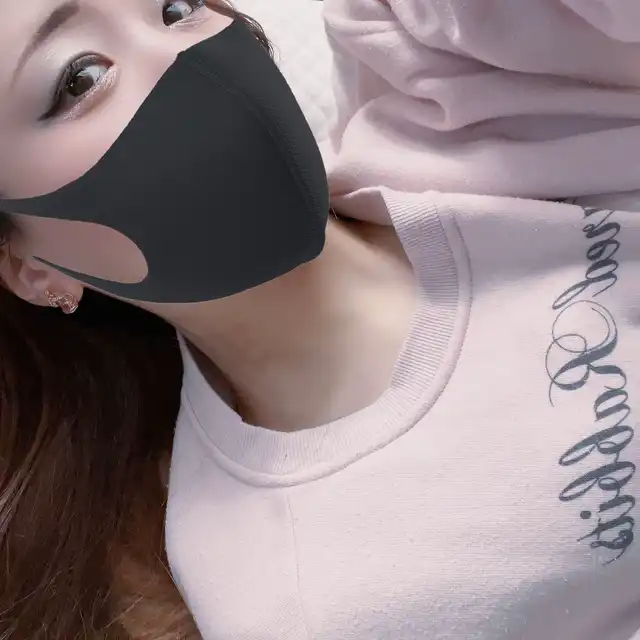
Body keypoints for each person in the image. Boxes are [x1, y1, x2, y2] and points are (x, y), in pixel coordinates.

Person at [0, 2, 639, 640]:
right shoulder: (295, 594)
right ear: (31, 268)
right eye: (78, 79)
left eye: (175, 7)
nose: (178, 51)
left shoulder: (448, 78)